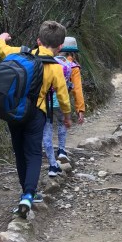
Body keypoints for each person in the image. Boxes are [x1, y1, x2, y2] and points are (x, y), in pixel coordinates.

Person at [0, 21, 71, 215]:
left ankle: (26, 192)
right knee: (34, 154)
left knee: (20, 153)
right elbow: (63, 97)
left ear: (38, 41)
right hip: (36, 114)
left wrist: (2, 37)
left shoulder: (21, 54)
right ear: (60, 46)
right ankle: (29, 195)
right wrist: (67, 117)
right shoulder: (55, 68)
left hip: (14, 112)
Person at [43, 35, 86, 176]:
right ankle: (61, 150)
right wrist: (80, 109)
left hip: (46, 102)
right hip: (62, 102)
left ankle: (52, 164)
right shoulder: (73, 66)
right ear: (73, 51)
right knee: (62, 124)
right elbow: (77, 89)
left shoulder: (48, 61)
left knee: (47, 129)